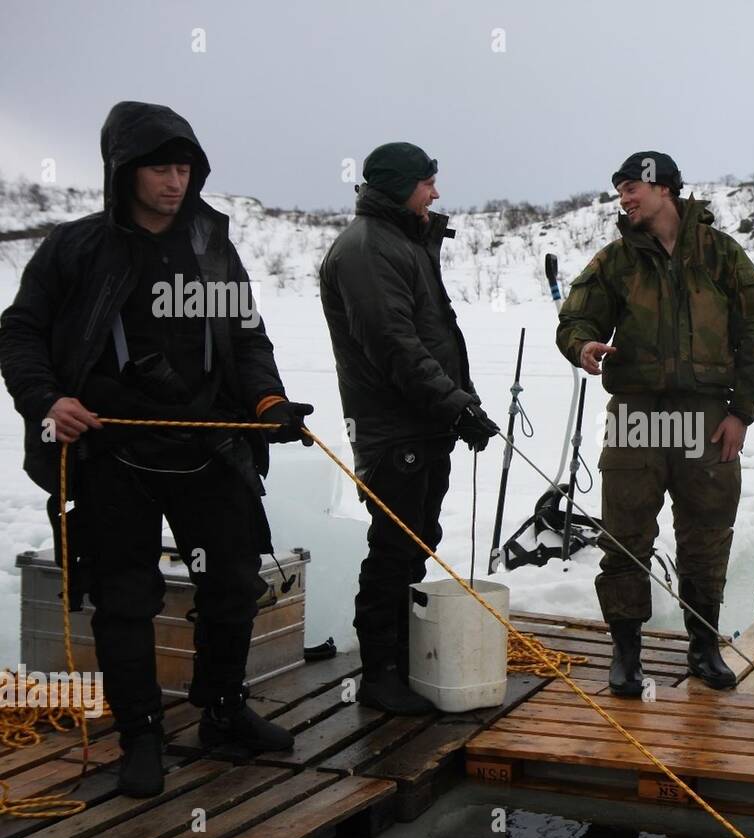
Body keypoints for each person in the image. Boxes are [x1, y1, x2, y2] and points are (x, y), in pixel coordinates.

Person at [0, 101, 312, 796]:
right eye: (159, 168)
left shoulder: (212, 247)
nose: (175, 182)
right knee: (124, 597)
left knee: (233, 579)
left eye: (184, 168)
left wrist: (268, 403)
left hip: (208, 444)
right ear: (123, 172)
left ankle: (224, 712)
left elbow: (247, 338)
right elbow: (18, 331)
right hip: (113, 452)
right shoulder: (75, 248)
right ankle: (141, 734)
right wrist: (48, 399)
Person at [556, 151, 754, 696]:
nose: (625, 198)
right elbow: (576, 317)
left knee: (706, 536)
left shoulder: (723, 256)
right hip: (636, 416)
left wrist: (741, 414)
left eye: (633, 188)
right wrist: (581, 344)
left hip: (706, 419)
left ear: (666, 191)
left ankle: (703, 648)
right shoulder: (614, 262)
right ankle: (626, 654)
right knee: (625, 537)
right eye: (620, 191)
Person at [320, 142, 499, 715]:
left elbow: (426, 337)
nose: (436, 192)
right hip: (392, 430)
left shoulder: (404, 241)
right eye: (427, 183)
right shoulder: (367, 249)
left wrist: (456, 405)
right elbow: (395, 346)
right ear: (401, 186)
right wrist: (456, 406)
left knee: (416, 543)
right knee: (394, 549)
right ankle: (380, 674)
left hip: (422, 424)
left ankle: (400, 658)